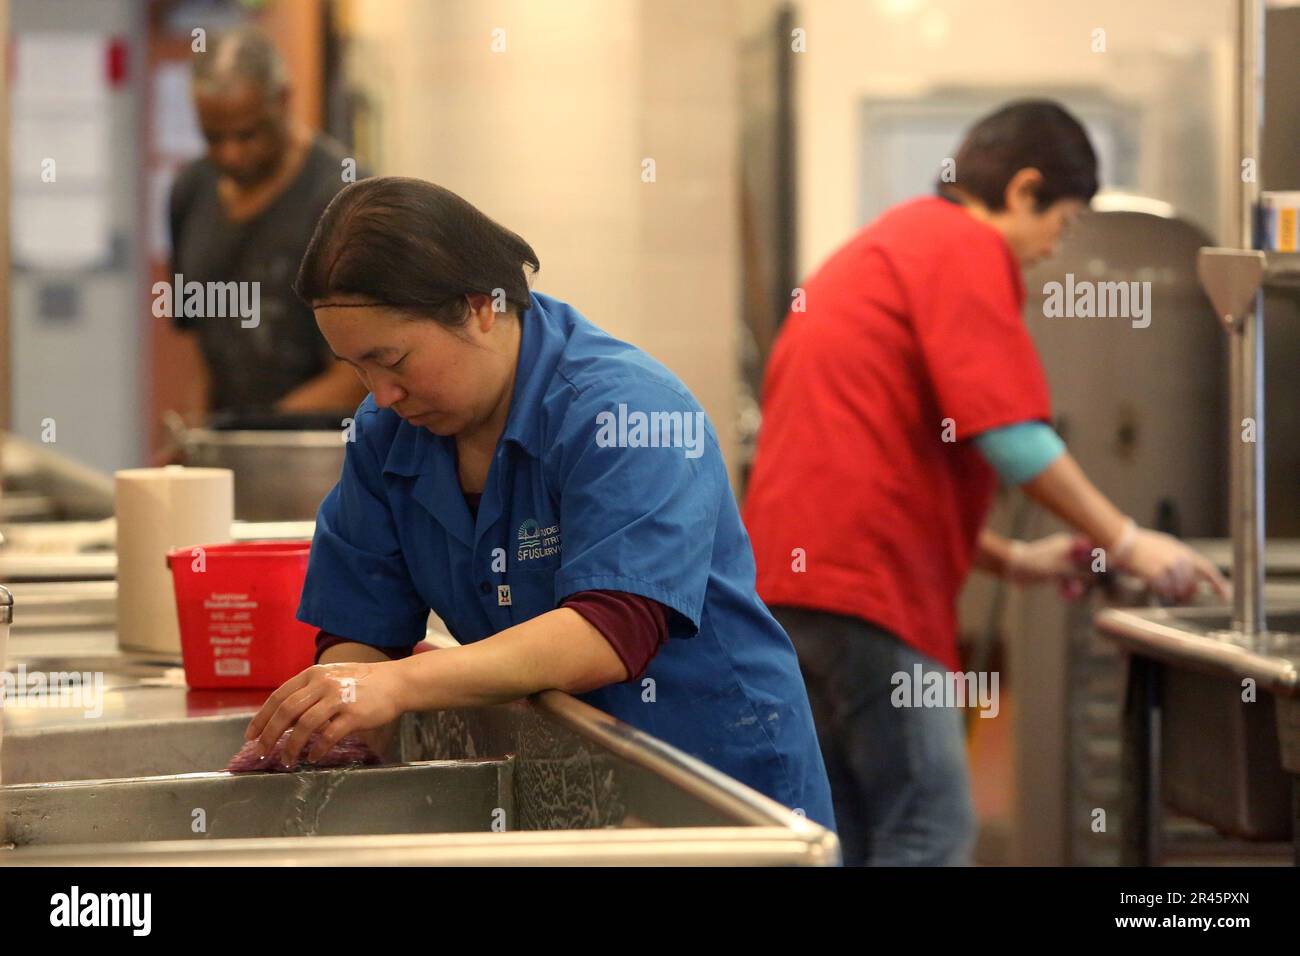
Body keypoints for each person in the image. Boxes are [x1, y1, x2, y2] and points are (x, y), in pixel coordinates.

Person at [241, 176, 836, 832]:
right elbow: (362, 625)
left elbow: (612, 628)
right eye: (358, 368)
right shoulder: (387, 435)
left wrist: (399, 687)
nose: (382, 394)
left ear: (478, 307)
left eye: (394, 360)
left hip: (708, 778)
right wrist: (338, 718)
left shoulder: (625, 411)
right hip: (569, 782)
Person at [740, 100, 1227, 866]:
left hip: (793, 597)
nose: (1055, 249)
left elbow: (871, 472)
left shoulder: (886, 246)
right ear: (1024, 190)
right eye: (1063, 223)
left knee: (850, 836)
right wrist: (1132, 543)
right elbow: (1012, 436)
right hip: (871, 601)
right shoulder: (963, 246)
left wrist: (1016, 560)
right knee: (931, 830)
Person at [167, 26, 367, 419]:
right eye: (213, 137)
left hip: (329, 443)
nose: (231, 154)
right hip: (233, 440)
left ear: (283, 100)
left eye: (248, 135)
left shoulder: (344, 197)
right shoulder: (189, 192)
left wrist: (256, 437)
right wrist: (199, 436)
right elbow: (205, 353)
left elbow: (362, 373)